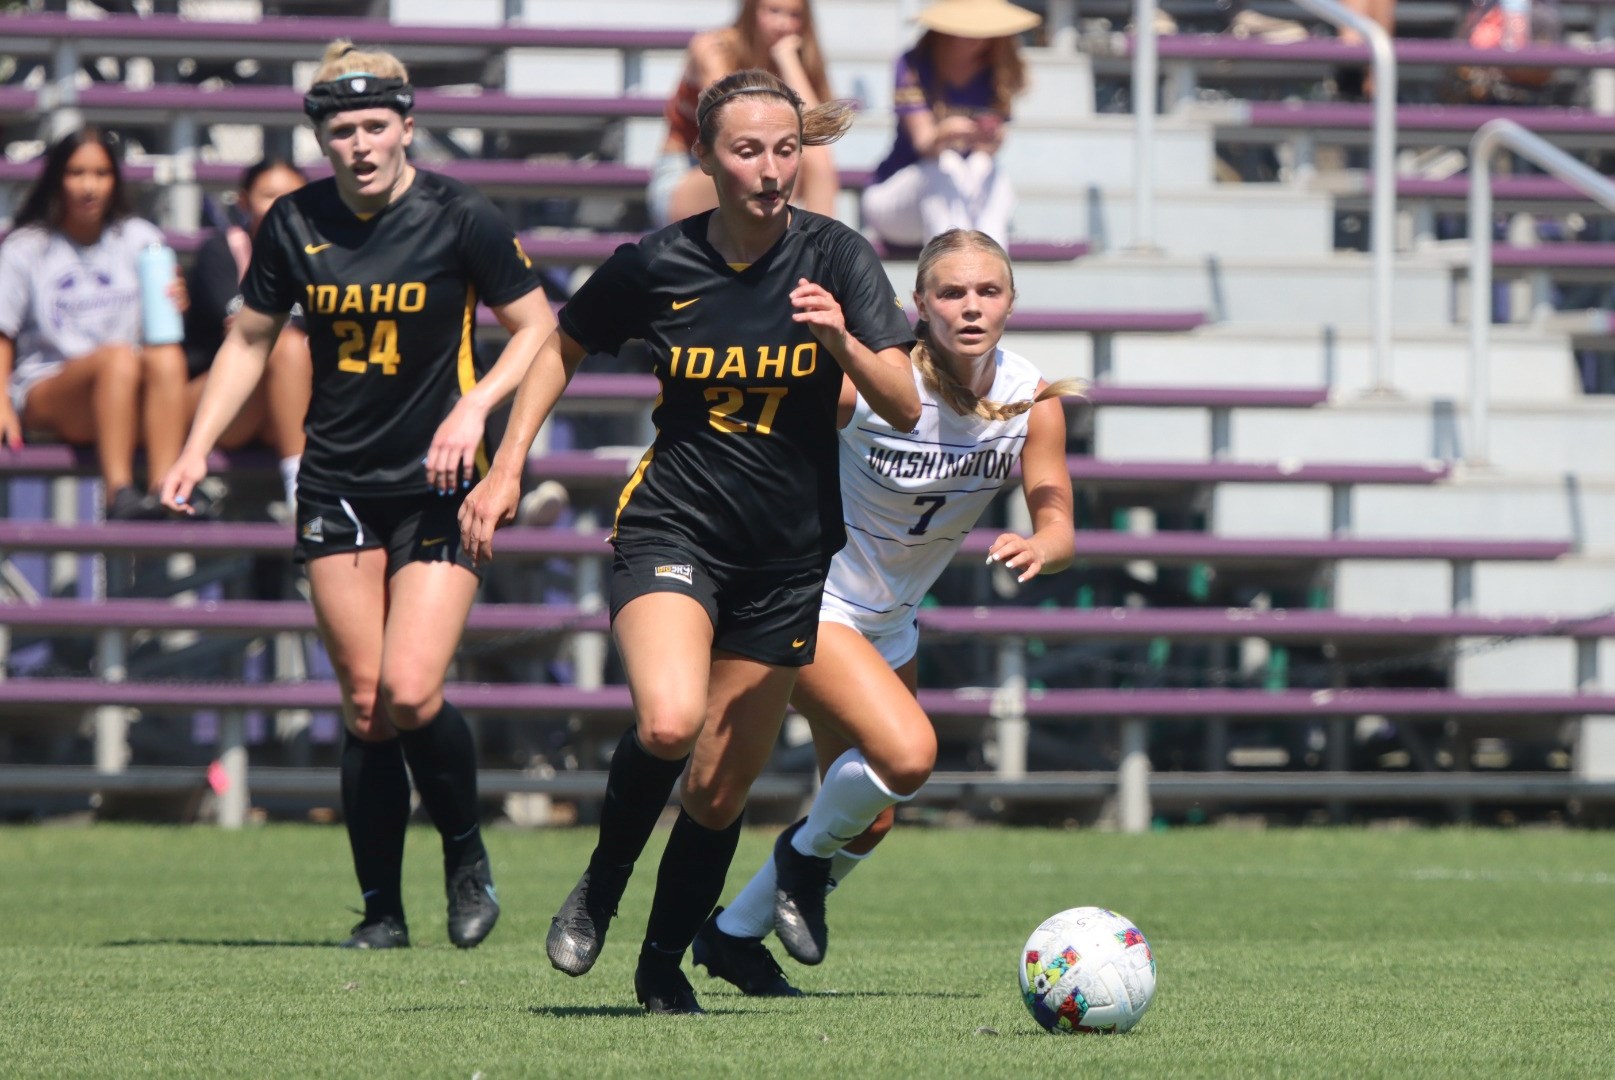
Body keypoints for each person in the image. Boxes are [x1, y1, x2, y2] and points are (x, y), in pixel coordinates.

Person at [459, 68, 921, 1014]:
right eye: (748, 151)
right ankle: (600, 886)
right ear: (706, 157)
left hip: (788, 556)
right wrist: (507, 465)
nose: (772, 169)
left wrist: (841, 341)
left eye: (786, 149)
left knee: (716, 789)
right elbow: (559, 346)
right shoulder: (656, 263)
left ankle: (662, 964)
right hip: (674, 525)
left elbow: (905, 405)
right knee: (669, 723)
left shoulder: (837, 257)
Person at [158, 40, 558, 950]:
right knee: (368, 704)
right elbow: (250, 339)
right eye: (343, 130)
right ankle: (382, 911)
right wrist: (195, 448)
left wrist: (477, 410)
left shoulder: (460, 214)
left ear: (407, 126)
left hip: (438, 484)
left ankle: (466, 856)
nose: (361, 144)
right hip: (337, 481)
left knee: (413, 692)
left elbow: (539, 329)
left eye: (377, 125)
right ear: (321, 138)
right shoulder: (294, 221)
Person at [691, 228, 1080, 995]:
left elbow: (1060, 523)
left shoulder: (1032, 402)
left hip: (889, 619)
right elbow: (751, 442)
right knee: (907, 755)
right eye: (952, 293)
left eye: (988, 291)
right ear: (919, 306)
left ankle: (731, 936)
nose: (971, 307)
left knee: (870, 818)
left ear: (1012, 302)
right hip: (809, 599)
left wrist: (1043, 544)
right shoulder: (870, 383)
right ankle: (797, 861)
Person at [0, 127, 202, 519]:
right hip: (50, 388)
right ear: (57, 178)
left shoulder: (141, 239)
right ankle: (118, 493)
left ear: (116, 180)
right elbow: (2, 331)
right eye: (76, 173)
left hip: (126, 391)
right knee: (117, 359)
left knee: (165, 358)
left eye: (101, 174)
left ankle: (167, 490)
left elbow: (160, 332)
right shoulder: (25, 247)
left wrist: (178, 304)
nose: (89, 187)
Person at [181, 158, 312, 510]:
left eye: (293, 195)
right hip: (217, 398)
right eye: (269, 195)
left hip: (289, 404)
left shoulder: (326, 257)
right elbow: (240, 329)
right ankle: (302, 489)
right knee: (285, 345)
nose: (281, 205)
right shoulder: (221, 252)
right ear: (243, 201)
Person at [860, 0, 1038, 250]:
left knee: (990, 170)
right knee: (944, 167)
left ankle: (989, 269)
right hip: (894, 201)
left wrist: (990, 138)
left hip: (960, 196)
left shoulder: (997, 71)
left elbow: (987, 152)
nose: (977, 35)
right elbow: (924, 144)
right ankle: (953, 267)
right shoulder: (912, 64)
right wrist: (945, 134)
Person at [652, 0, 839, 226]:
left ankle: (823, 243)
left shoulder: (796, 58)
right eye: (773, 11)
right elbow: (730, 120)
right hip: (690, 173)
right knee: (786, 157)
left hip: (756, 170)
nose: (783, 24)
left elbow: (817, 130)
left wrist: (787, 59)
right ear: (751, 10)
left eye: (794, 15)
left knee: (810, 153)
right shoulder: (714, 47)